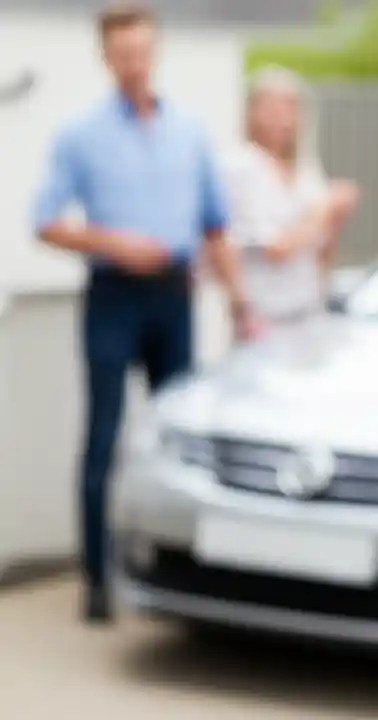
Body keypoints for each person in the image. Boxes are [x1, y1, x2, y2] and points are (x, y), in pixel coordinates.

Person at [32, 3, 258, 625]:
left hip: (173, 297)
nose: (134, 63)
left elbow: (214, 225)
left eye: (143, 51)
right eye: (123, 53)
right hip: (114, 295)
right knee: (104, 435)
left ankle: (176, 567)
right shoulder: (81, 135)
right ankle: (97, 577)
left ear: (155, 53)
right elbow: (45, 222)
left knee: (179, 435)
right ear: (106, 57)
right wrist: (116, 244)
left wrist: (239, 299)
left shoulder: (188, 131)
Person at [225, 66, 360, 329]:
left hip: (308, 306)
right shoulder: (241, 166)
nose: (282, 118)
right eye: (273, 108)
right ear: (252, 112)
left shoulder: (306, 170)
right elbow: (275, 248)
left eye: (290, 108)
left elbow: (322, 247)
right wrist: (326, 209)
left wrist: (336, 218)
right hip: (263, 312)